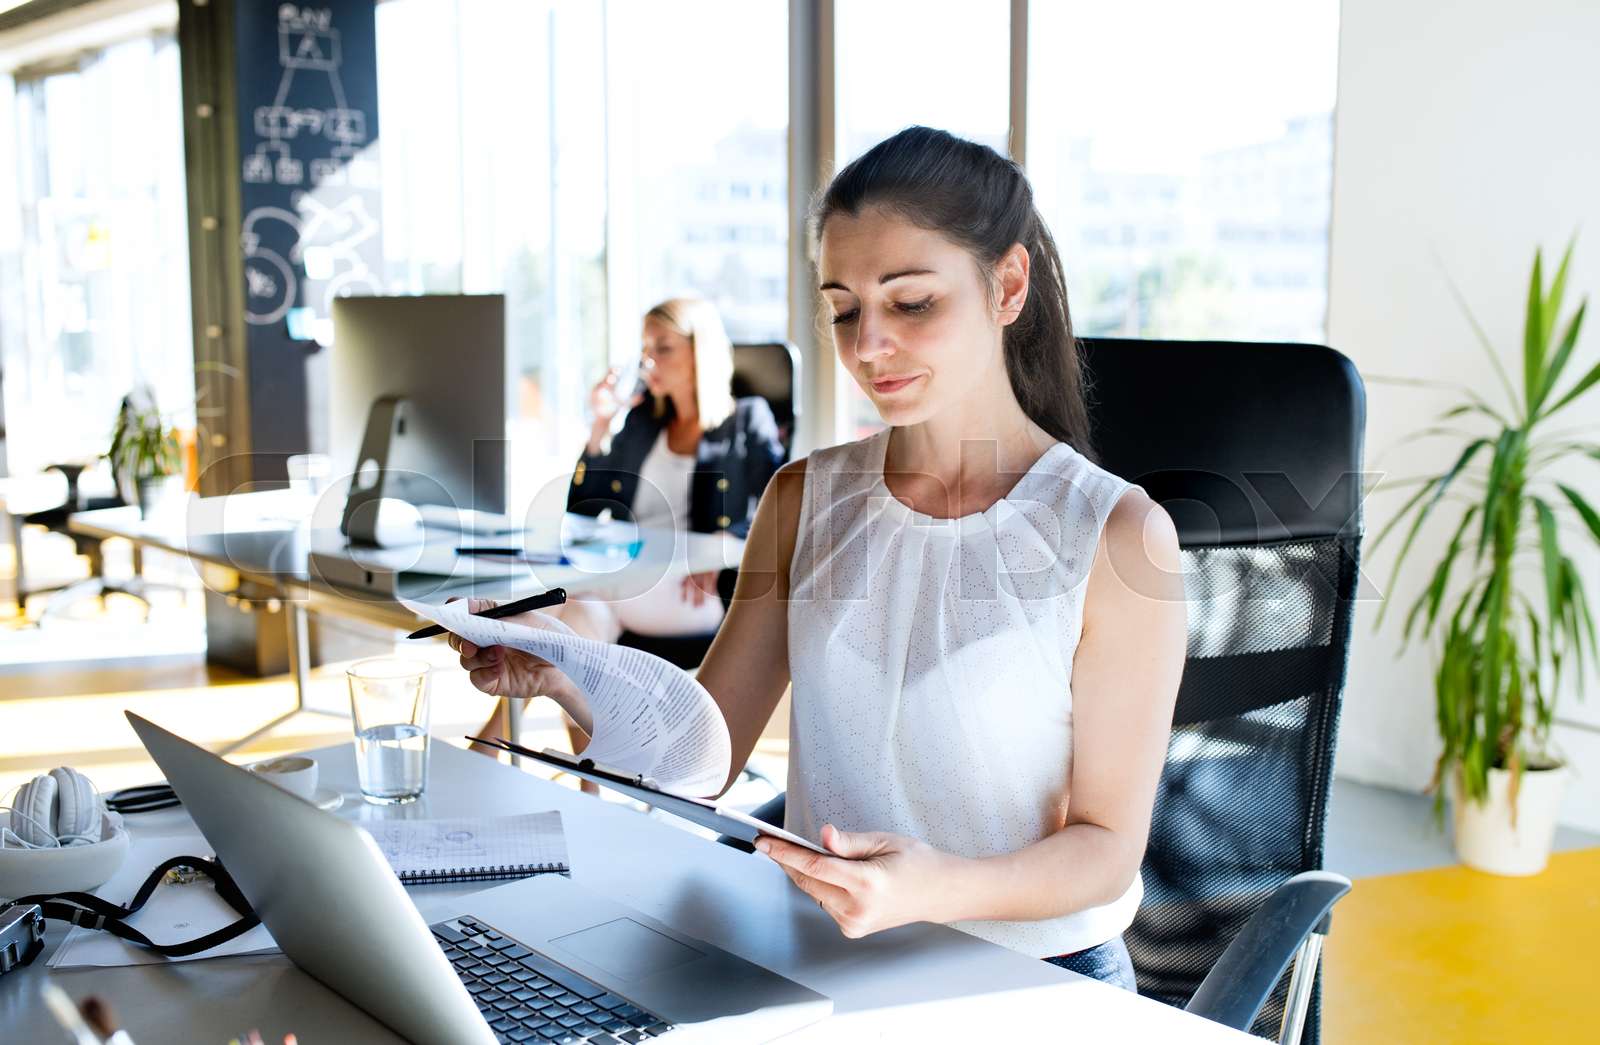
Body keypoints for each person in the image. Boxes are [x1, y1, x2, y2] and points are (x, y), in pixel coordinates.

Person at [449, 127, 1186, 990]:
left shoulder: (1117, 535)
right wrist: (565, 673)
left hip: (1034, 978)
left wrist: (936, 887)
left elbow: (1105, 849)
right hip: (820, 957)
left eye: (910, 303)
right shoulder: (803, 501)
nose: (868, 345)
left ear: (1007, 286)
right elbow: (705, 755)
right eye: (844, 309)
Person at [474, 297, 786, 747]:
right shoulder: (643, 420)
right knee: (577, 623)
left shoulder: (745, 419)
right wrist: (600, 425)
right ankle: (590, 777)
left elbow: (783, 504)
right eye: (645, 350)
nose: (648, 361)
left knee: (567, 604)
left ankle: (488, 744)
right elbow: (583, 507)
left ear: (699, 351)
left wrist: (721, 544)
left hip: (691, 590)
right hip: (627, 584)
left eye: (663, 348)